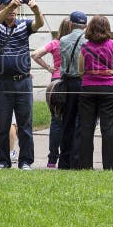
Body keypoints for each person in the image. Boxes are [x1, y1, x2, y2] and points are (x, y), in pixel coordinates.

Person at [0, 0, 45, 170]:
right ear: (0, 7)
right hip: (2, 82)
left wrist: (36, 10)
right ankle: (3, 161)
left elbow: (39, 24)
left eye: (14, 7)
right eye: (7, 5)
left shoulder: (23, 25)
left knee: (25, 124)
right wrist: (8, 8)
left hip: (23, 82)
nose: (13, 10)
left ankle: (25, 161)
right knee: (2, 123)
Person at [77, 15, 113, 169]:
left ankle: (86, 165)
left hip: (88, 88)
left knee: (87, 127)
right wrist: (112, 80)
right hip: (108, 88)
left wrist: (92, 76)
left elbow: (81, 71)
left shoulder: (85, 47)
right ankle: (109, 165)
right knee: (108, 127)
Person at [32, 18, 72, 168]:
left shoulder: (55, 43)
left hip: (55, 85)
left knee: (56, 122)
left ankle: (52, 159)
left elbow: (35, 54)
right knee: (70, 121)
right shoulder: (76, 43)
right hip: (71, 84)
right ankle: (66, 155)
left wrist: (49, 67)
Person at [58, 11, 88, 169]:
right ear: (85, 25)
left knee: (67, 121)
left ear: (71, 23)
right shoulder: (88, 40)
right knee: (81, 123)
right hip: (83, 83)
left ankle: (64, 160)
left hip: (67, 83)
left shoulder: (63, 40)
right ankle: (77, 160)